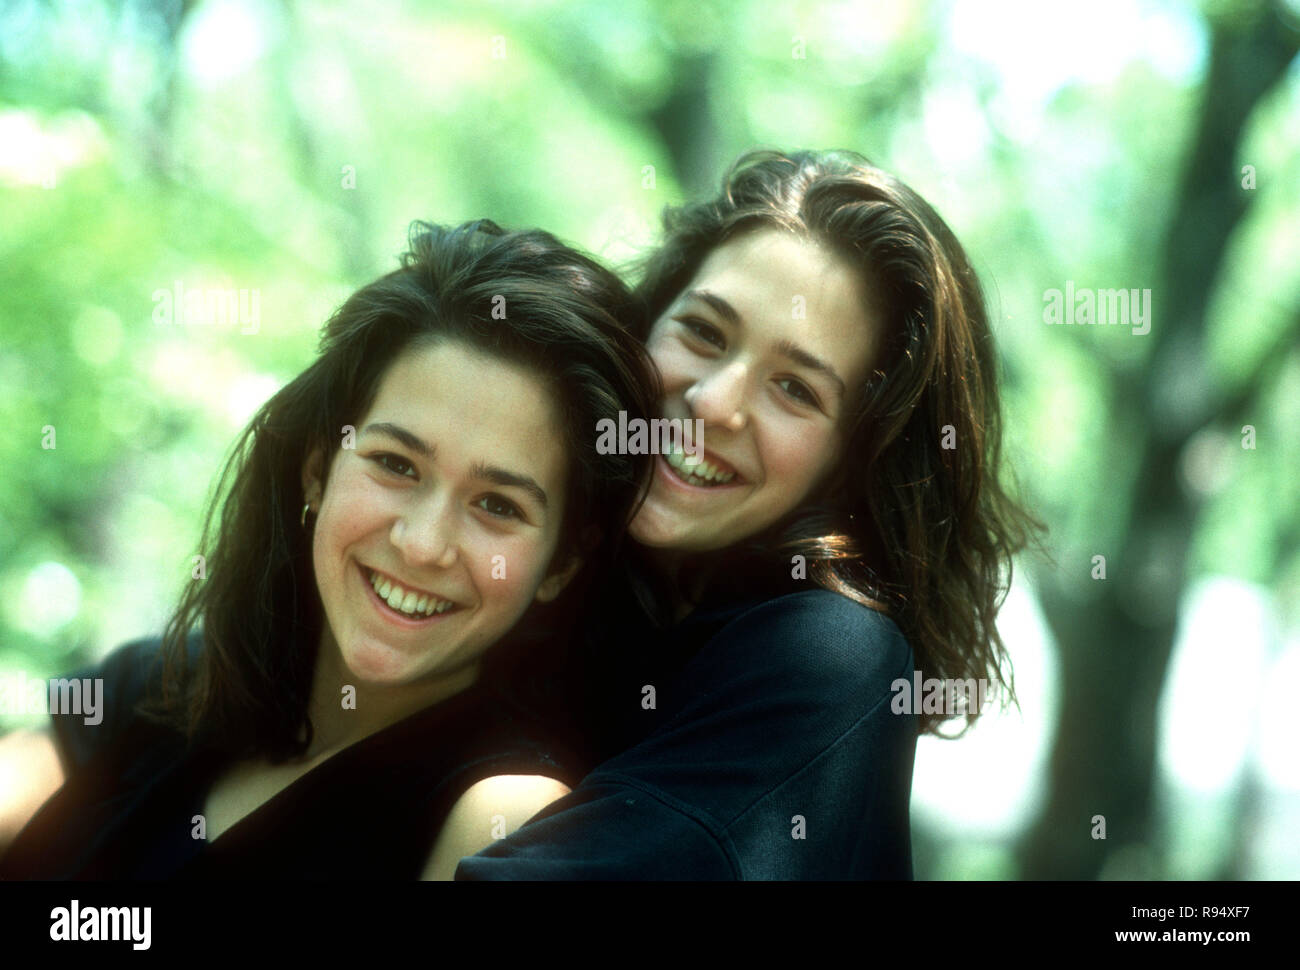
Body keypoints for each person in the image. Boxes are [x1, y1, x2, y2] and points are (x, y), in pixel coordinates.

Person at [0, 219, 658, 879]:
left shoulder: (502, 815)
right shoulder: (161, 682)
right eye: (396, 464)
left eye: (497, 505)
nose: (423, 544)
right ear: (318, 466)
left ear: (562, 563)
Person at [452, 149, 1044, 879]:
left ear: (856, 458)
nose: (714, 402)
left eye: (795, 389)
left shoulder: (832, 654)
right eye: (703, 332)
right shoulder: (538, 569)